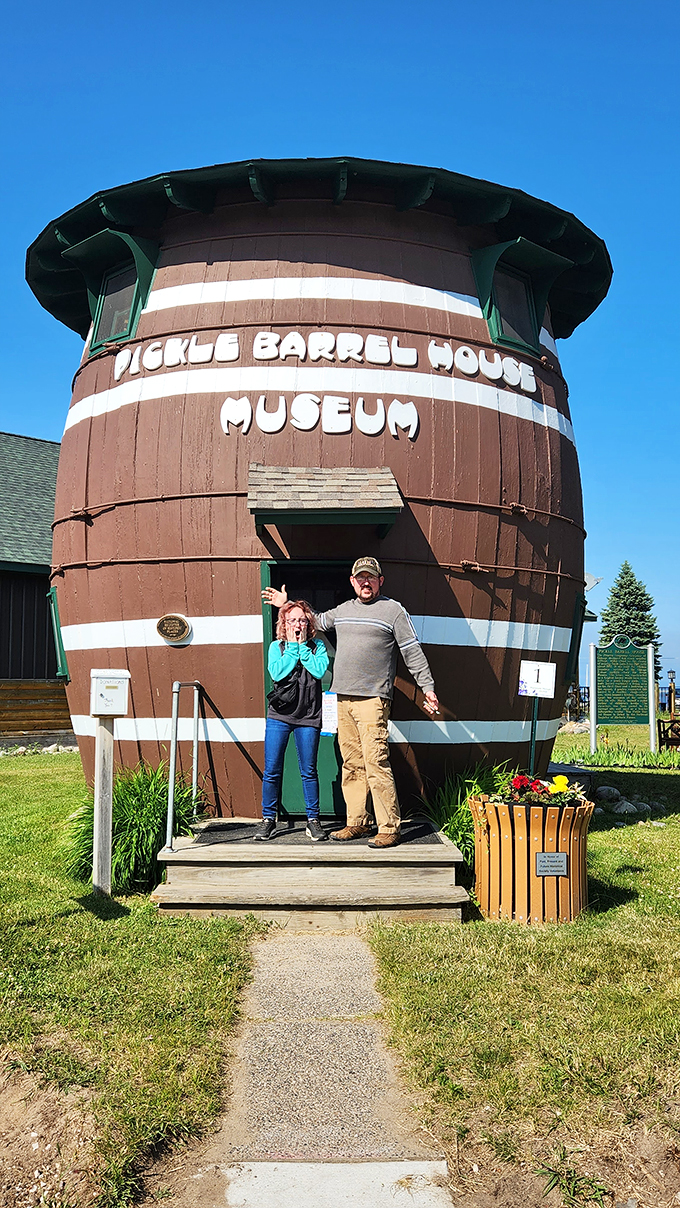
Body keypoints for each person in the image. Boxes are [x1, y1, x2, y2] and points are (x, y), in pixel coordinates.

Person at [262, 557, 439, 848]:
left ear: (380, 581)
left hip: (373, 699)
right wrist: (287, 602)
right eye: (360, 578)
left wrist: (427, 687)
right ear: (352, 581)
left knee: (376, 763)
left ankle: (389, 827)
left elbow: (411, 650)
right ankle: (357, 822)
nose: (365, 582)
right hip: (342, 698)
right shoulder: (343, 610)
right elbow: (311, 619)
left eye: (371, 578)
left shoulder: (393, 611)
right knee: (352, 764)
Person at [254, 599, 329, 843]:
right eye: (292, 620)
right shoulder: (277, 647)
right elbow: (277, 672)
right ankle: (268, 819)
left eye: (302, 620)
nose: (297, 624)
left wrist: (302, 647)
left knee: (308, 770)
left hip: (308, 716)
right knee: (272, 770)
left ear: (309, 623)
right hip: (279, 716)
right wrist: (294, 648)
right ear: (283, 624)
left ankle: (313, 820)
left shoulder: (317, 646)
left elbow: (318, 671)